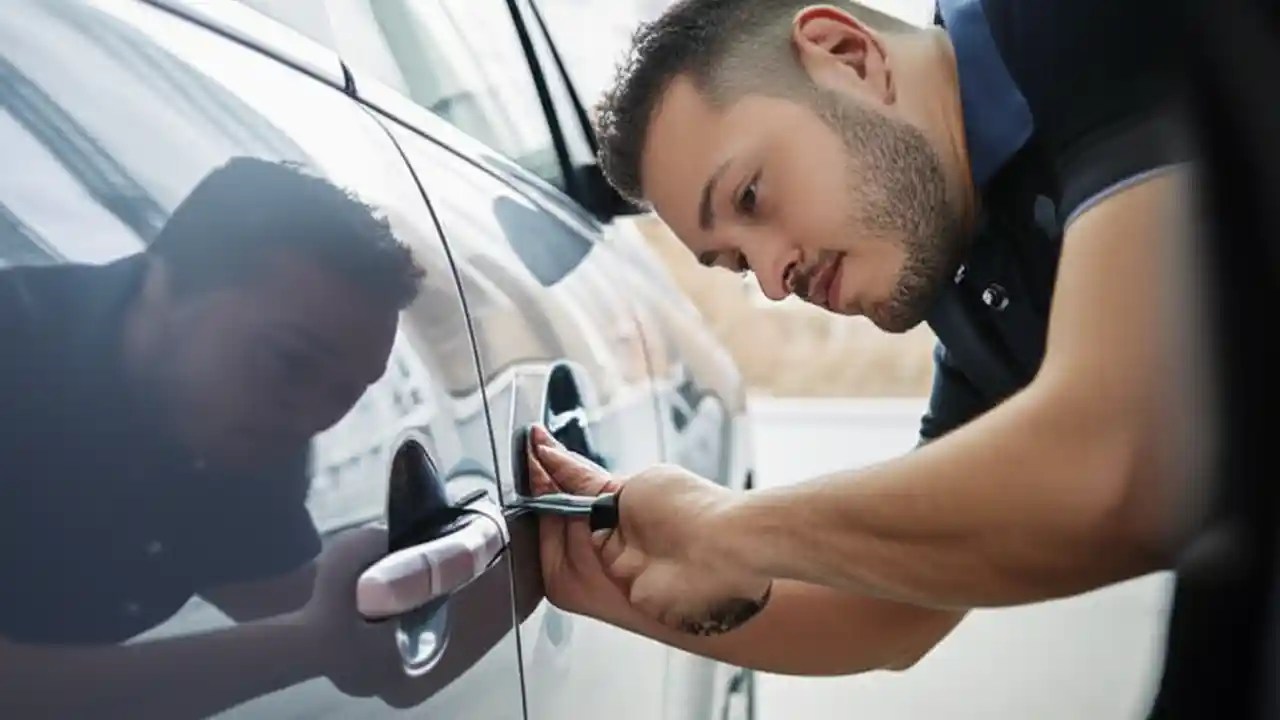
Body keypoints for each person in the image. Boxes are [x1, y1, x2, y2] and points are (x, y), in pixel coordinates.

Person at [527, 0, 1204, 675]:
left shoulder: (1065, 23)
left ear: (847, 56)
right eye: (735, 264)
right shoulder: (973, 290)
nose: (770, 279)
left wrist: (728, 532)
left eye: (752, 197)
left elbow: (1126, 459)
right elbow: (892, 615)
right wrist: (597, 569)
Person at [0, 157, 425, 717]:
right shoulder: (17, 352)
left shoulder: (243, 425)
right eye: (290, 361)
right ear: (165, 283)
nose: (313, 419)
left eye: (349, 391)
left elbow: (363, 648)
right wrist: (314, 640)